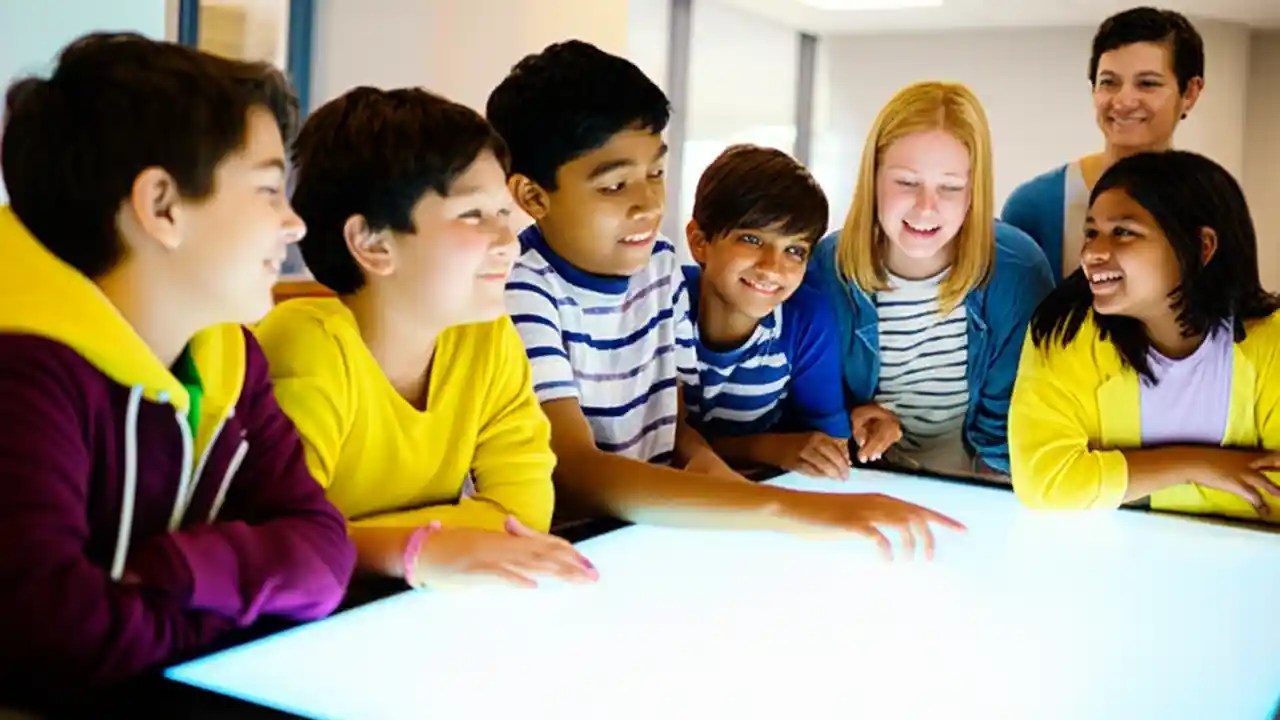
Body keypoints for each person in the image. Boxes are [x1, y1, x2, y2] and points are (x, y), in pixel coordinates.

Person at [489, 40, 962, 555]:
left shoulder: (660, 266)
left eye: (655, 173)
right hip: (563, 544)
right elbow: (575, 471)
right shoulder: (521, 290)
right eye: (615, 185)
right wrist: (779, 510)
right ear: (534, 196)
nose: (648, 204)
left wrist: (728, 489)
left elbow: (674, 426)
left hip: (646, 532)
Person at [0, 33, 354, 703]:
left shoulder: (225, 352)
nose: (294, 225)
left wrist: (176, 573)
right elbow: (45, 632)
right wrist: (237, 612)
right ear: (161, 206)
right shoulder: (22, 369)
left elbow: (322, 553)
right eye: (269, 190)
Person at [255, 86, 597, 590]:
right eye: (473, 215)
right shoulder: (307, 345)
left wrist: (364, 541)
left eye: (504, 214)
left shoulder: (489, 337)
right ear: (372, 243)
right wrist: (431, 542)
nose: (507, 240)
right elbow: (284, 542)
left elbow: (524, 515)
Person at [803, 81, 1055, 478]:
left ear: (975, 190)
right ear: (873, 178)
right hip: (864, 481)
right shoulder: (825, 268)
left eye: (950, 187)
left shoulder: (1017, 270)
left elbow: (1008, 432)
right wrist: (852, 417)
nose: (926, 207)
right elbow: (809, 404)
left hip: (976, 482)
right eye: (906, 182)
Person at [1010, 150, 1280, 520]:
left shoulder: (1272, 343)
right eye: (1091, 233)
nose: (1092, 254)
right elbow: (1045, 483)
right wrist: (1201, 465)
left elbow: (1274, 495)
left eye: (1123, 232)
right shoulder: (1065, 334)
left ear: (1203, 246)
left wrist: (1120, 478)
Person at [682, 144, 852, 480]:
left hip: (757, 495)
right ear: (700, 242)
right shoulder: (661, 302)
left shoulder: (805, 319)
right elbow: (653, 437)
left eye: (794, 250)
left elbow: (830, 446)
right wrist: (766, 447)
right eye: (752, 239)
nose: (773, 267)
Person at [1002, 7, 1204, 278]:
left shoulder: (1210, 205)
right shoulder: (1035, 207)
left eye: (1147, 83)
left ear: (1189, 93)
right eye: (1109, 82)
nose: (1123, 102)